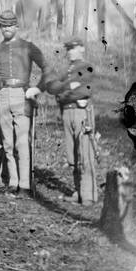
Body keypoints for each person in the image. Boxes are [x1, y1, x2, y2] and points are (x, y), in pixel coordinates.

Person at [0, 10, 48, 196]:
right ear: (0, 28)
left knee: (22, 143)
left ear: (16, 27)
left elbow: (47, 68)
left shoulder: (28, 47)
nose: (7, 29)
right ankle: (13, 181)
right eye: (4, 26)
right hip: (2, 96)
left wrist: (37, 88)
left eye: (10, 25)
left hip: (22, 95)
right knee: (8, 143)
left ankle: (25, 185)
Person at [45, 37, 98, 204]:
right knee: (72, 155)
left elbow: (85, 91)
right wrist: (69, 86)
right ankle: (78, 192)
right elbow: (51, 87)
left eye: (74, 48)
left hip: (81, 113)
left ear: (82, 48)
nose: (70, 52)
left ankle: (88, 195)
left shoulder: (86, 67)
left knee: (85, 153)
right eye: (68, 49)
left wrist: (64, 91)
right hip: (67, 114)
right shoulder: (67, 70)